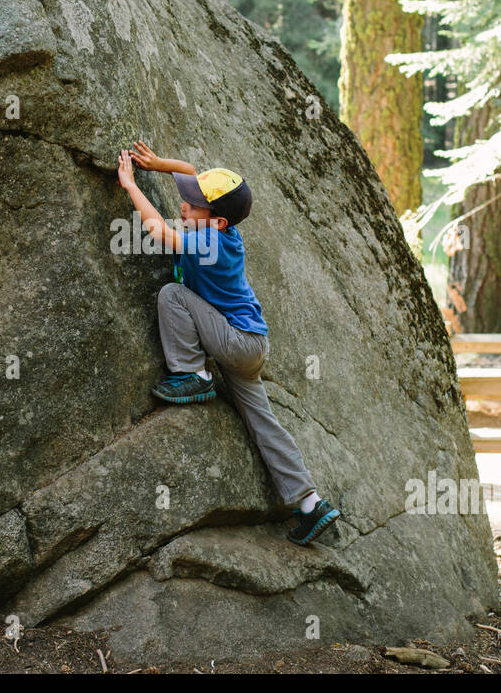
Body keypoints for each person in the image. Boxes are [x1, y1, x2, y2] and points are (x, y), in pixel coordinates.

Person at [115, 140, 341, 546]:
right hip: (250, 346)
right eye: (187, 198)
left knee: (172, 295)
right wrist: (158, 164)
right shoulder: (221, 228)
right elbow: (186, 168)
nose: (184, 204)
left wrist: (132, 185)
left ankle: (194, 374)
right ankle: (311, 504)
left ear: (217, 222)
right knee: (263, 423)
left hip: (236, 342)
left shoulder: (211, 243)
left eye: (193, 205)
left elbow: (159, 233)